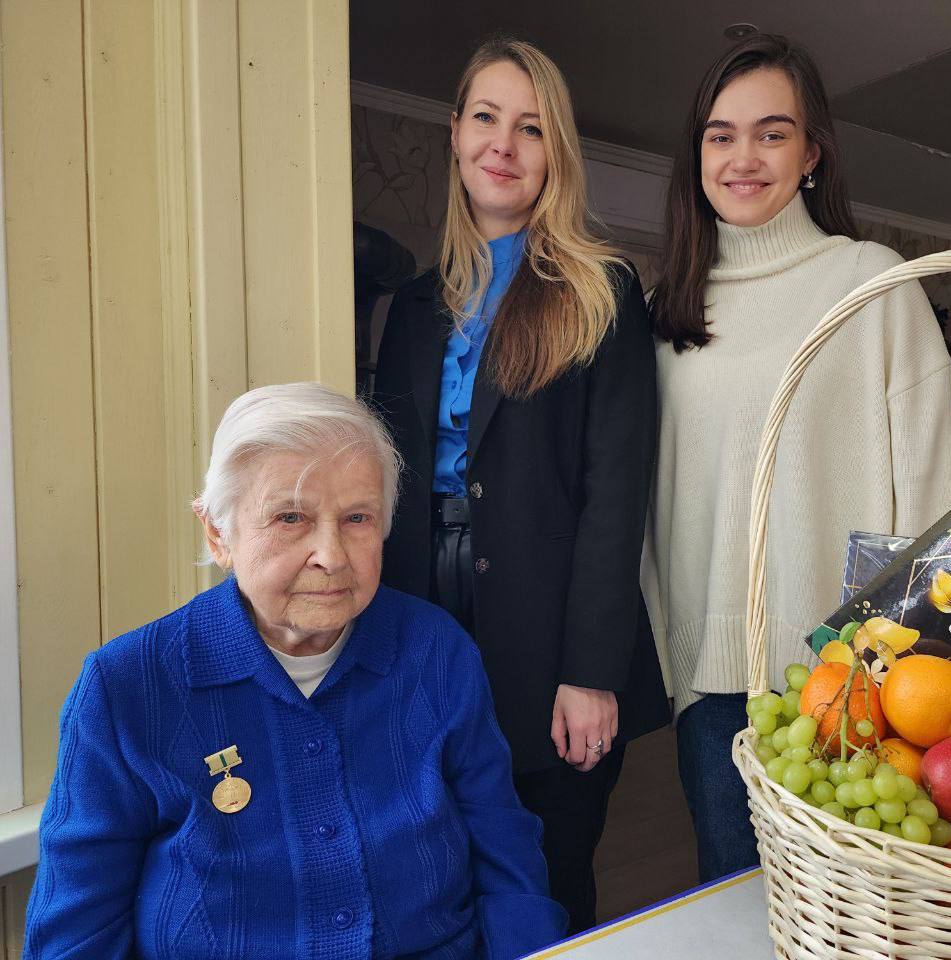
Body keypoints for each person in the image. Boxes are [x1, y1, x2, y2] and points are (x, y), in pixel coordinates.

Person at [23, 382, 566, 959]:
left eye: (357, 517)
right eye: (290, 517)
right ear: (218, 533)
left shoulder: (436, 651)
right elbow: (74, 935)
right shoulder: (126, 688)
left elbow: (507, 859)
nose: (331, 556)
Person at [645, 34, 951, 882]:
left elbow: (933, 492)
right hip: (711, 682)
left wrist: (912, 662)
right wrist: (667, 655)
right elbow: (650, 502)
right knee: (733, 902)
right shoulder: (665, 308)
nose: (743, 157)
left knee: (853, 916)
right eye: (721, 135)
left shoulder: (872, 284)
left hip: (850, 675)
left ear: (812, 152)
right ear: (697, 155)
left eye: (772, 133)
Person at [374, 37, 668, 934]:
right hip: (423, 617)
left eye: (531, 128)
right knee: (437, 869)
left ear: (556, 154)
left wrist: (589, 673)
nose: (503, 144)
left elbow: (616, 496)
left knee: (546, 879)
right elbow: (388, 487)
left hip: (554, 633)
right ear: (455, 132)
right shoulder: (412, 306)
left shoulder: (602, 290)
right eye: (486, 118)